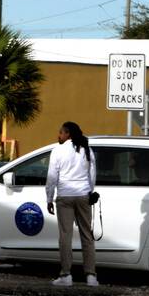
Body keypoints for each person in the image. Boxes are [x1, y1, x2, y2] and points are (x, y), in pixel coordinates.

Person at [47, 122, 98, 287]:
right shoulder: (86, 149)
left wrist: (49, 198)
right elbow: (92, 174)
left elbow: (52, 177)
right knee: (87, 235)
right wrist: (89, 191)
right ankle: (91, 276)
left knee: (65, 236)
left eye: (61, 132)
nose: (59, 135)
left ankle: (66, 275)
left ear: (67, 133)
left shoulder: (57, 150)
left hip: (65, 197)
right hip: (83, 195)